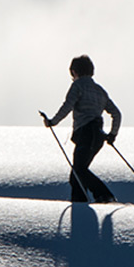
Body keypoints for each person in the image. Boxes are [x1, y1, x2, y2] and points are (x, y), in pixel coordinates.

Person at [44, 55, 121, 204]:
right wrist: (112, 135)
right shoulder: (100, 91)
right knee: (77, 174)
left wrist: (52, 122)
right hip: (98, 135)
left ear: (74, 72)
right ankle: (80, 203)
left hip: (85, 133)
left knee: (79, 171)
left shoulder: (78, 86)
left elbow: (67, 106)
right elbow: (117, 114)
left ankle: (103, 196)